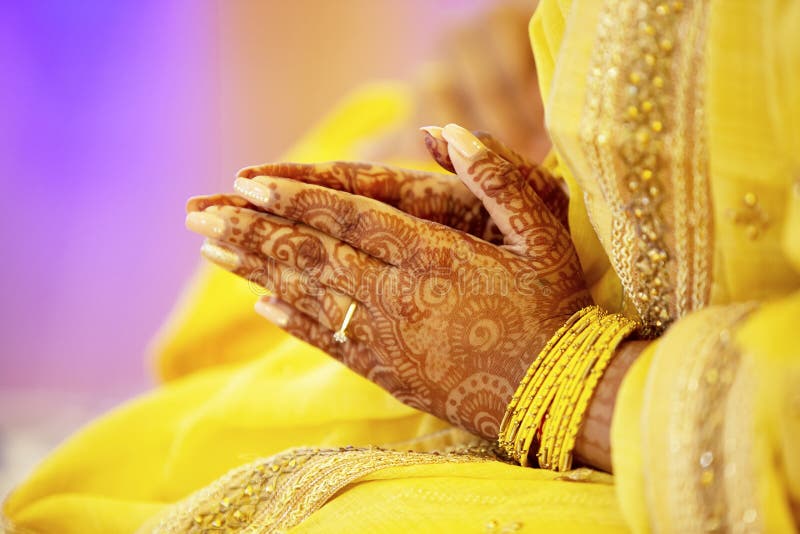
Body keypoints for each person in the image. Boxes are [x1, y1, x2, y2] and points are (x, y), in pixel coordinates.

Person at [4, 0, 800, 532]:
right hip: (535, 331)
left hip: (689, 442)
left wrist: (570, 383)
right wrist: (531, 87)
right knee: (125, 463)